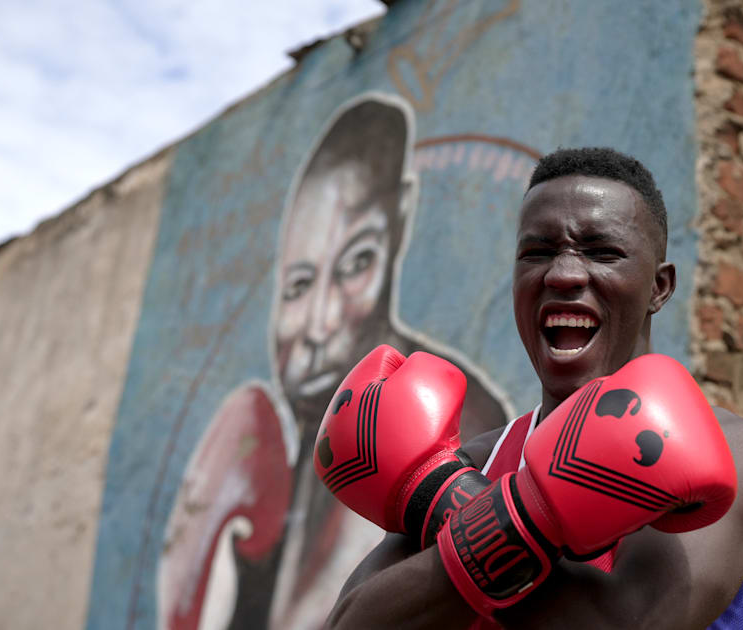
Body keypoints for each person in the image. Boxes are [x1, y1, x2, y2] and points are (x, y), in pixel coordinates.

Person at [323, 147, 743, 629]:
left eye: (602, 251)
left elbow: (631, 622)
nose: (563, 273)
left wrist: (452, 506)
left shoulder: (740, 454)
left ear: (659, 287)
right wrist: (446, 492)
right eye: (538, 252)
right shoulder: (472, 461)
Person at [157, 93, 508, 630]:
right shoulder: (299, 443)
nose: (320, 326)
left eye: (355, 264)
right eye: (298, 286)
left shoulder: (460, 423)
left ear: (401, 223)